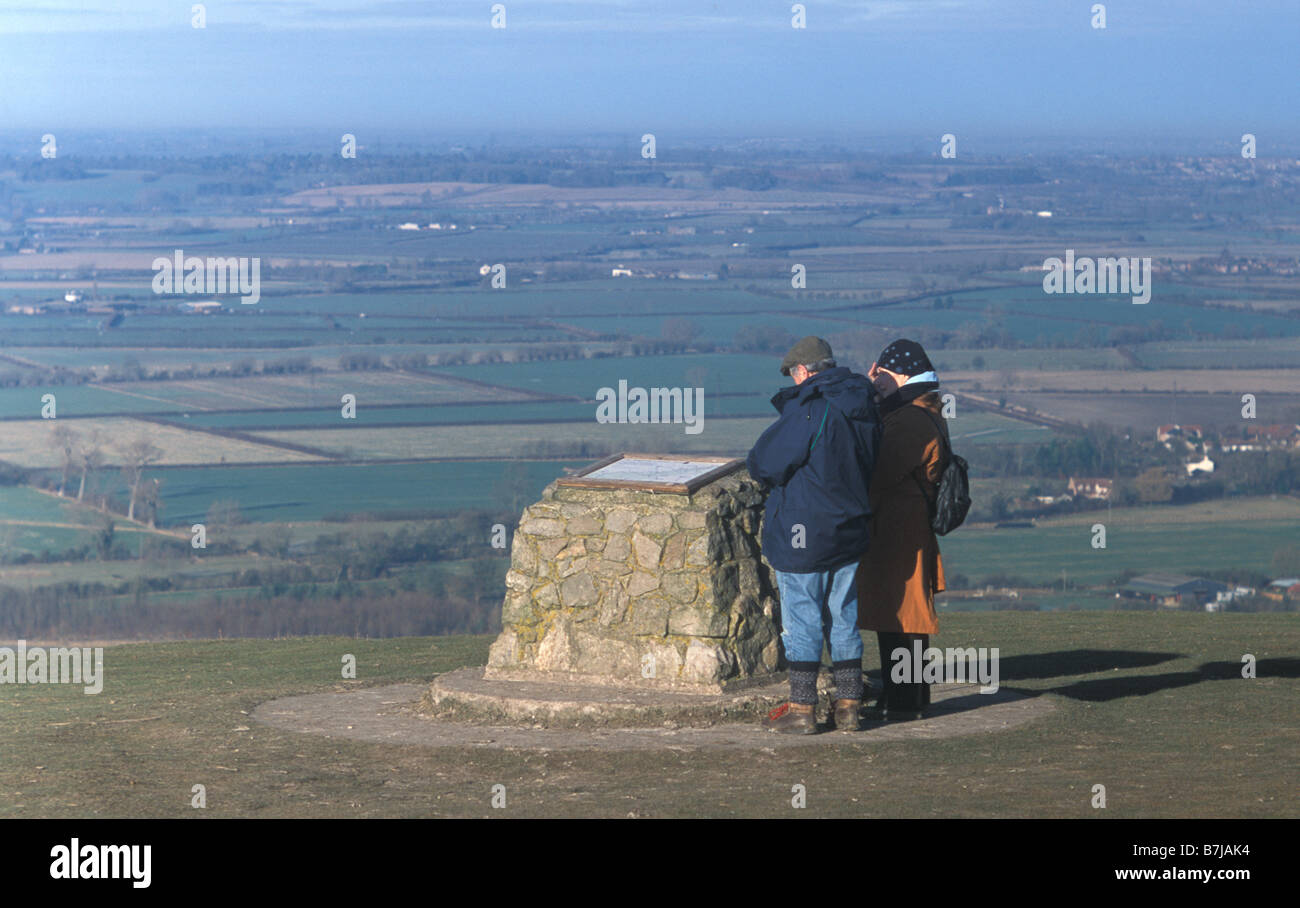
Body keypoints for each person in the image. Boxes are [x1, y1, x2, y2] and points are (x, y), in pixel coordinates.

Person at [746, 336, 879, 734]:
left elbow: (765, 464)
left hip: (806, 530)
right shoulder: (863, 405)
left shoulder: (811, 409)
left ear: (803, 371)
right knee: (844, 616)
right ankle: (848, 706)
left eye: (793, 374)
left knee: (802, 616)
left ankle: (802, 709)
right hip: (851, 526)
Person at [857, 338, 947, 720]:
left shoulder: (909, 419)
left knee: (904, 618)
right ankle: (906, 697)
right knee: (898, 616)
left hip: (900, 531)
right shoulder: (915, 409)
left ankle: (905, 701)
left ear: (903, 374)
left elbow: (879, 470)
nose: (878, 381)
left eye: (885, 374)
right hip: (901, 527)